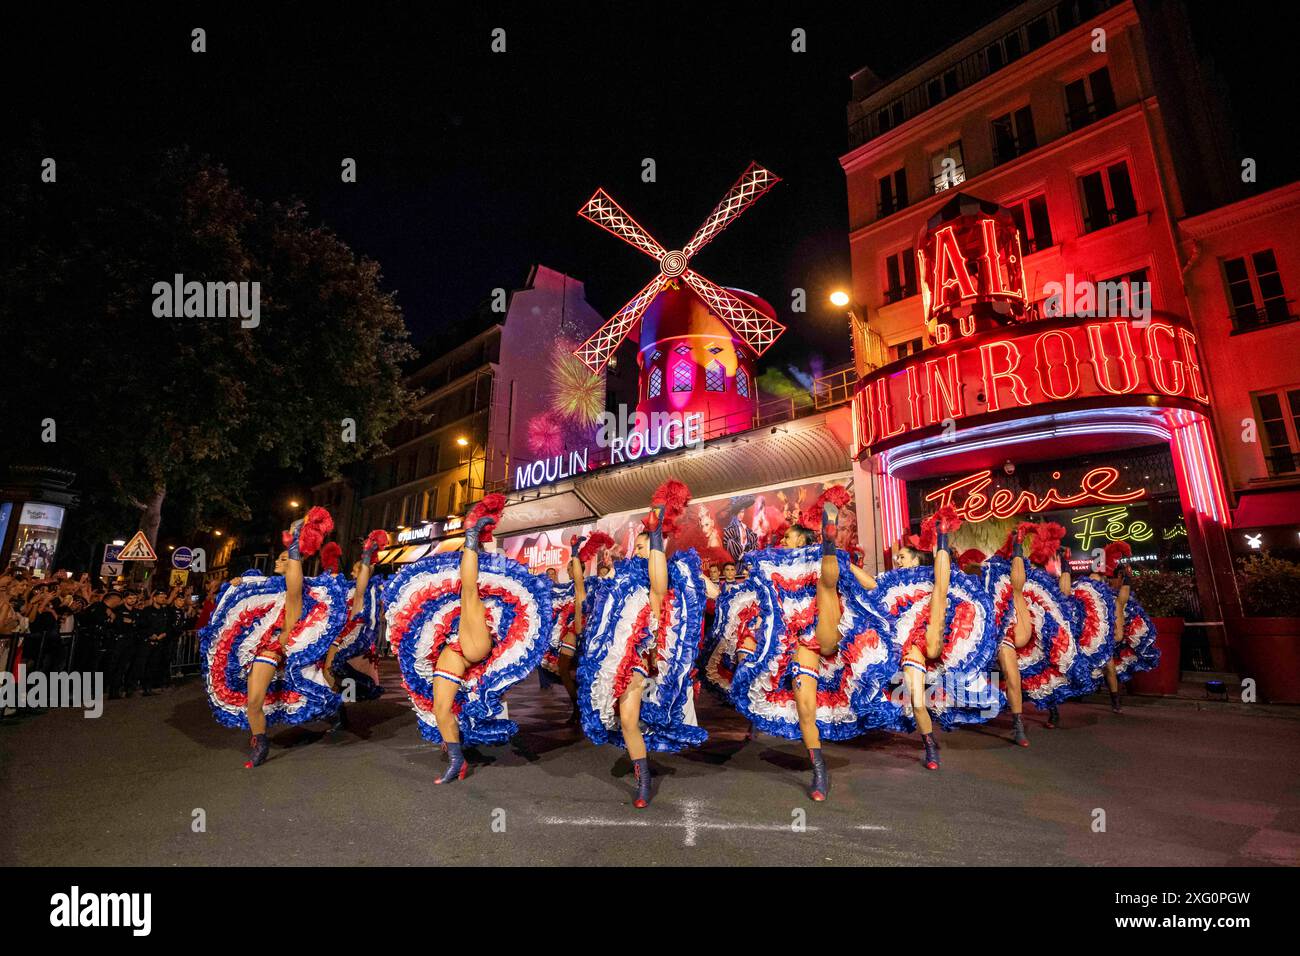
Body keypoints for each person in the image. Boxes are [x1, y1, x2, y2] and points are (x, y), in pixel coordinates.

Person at [383, 495, 552, 784]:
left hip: (473, 644)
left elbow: (470, 587)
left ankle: (472, 538)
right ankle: (456, 760)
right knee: (440, 707)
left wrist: (472, 536)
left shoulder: (475, 606)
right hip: (454, 648)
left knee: (468, 592)